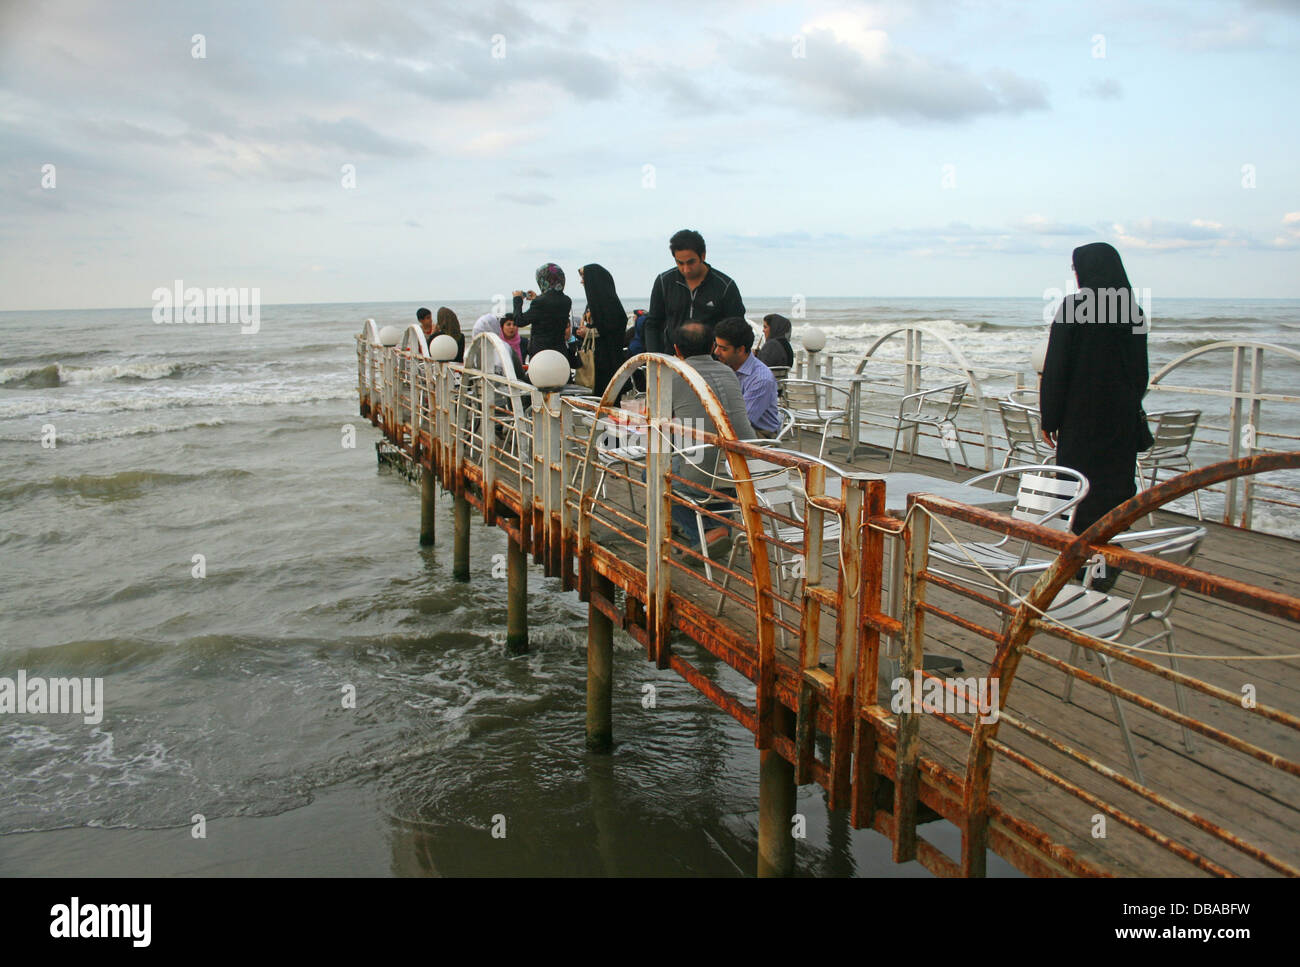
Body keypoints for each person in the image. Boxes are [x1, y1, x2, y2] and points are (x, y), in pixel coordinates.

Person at [1039, 242, 1149, 572]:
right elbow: (1140, 372)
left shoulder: (1073, 307)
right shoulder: (1134, 311)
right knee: (1112, 488)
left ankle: (1082, 563)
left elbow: (1056, 366)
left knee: (1079, 488)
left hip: (1080, 420)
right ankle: (1105, 559)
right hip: (1120, 421)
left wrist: (1050, 417)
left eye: (1075, 270)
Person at [668, 319, 754, 549]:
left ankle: (701, 537)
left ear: (676, 350)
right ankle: (720, 529)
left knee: (656, 475)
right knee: (710, 467)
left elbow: (659, 420)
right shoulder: (728, 372)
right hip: (745, 469)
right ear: (711, 348)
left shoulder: (676, 375)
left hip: (707, 472)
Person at [644, 229, 745, 354]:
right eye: (680, 263)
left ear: (703, 256)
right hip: (672, 359)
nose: (686, 269)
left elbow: (737, 328)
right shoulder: (664, 282)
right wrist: (655, 357)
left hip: (711, 361)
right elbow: (653, 324)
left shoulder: (725, 286)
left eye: (691, 262)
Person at [713, 316, 781, 438]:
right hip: (735, 425)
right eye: (716, 345)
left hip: (760, 434)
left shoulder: (761, 379)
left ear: (740, 350)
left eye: (723, 349)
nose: (716, 352)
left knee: (700, 439)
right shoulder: (727, 366)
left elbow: (741, 421)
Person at [579, 263, 631, 399]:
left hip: (608, 363)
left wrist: (590, 332)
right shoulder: (594, 303)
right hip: (597, 365)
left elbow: (612, 327)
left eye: (585, 278)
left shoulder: (610, 305)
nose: (582, 282)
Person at [513, 263, 572, 359]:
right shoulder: (566, 300)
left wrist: (517, 299)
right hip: (560, 352)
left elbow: (519, 321)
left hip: (541, 355)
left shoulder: (539, 302)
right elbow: (550, 311)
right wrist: (538, 297)